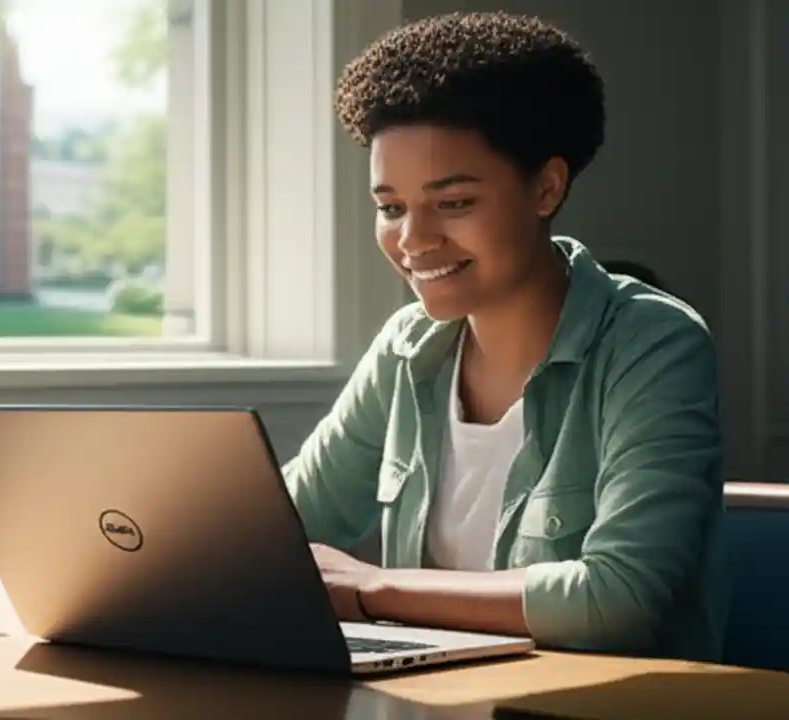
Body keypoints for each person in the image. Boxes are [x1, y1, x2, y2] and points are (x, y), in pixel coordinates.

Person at [284, 11, 726, 662]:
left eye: (454, 202)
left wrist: (373, 588)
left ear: (546, 187)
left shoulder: (654, 345)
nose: (412, 239)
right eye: (391, 207)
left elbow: (622, 600)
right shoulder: (409, 348)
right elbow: (268, 533)